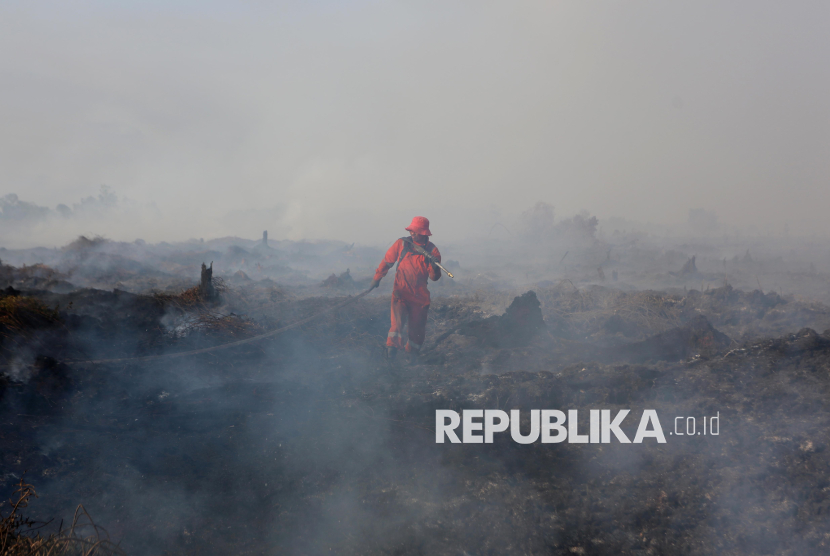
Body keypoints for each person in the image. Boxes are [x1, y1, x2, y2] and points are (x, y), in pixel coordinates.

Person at [371, 216, 442, 362]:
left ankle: (412, 360)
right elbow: (387, 261)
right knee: (396, 325)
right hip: (400, 293)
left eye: (415, 231)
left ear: (424, 233)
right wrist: (377, 278)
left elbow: (434, 278)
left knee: (416, 331)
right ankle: (391, 357)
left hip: (420, 297)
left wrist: (435, 267)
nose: (412, 233)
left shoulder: (433, 252)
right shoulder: (402, 244)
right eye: (412, 231)